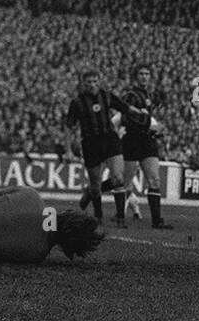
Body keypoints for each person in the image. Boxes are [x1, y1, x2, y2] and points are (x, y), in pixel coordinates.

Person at [63, 69, 147, 227]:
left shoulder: (106, 96)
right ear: (83, 84)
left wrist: (137, 112)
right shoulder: (77, 103)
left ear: (99, 81)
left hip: (110, 139)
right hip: (90, 143)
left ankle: (121, 218)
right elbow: (68, 126)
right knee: (95, 186)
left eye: (95, 81)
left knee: (118, 178)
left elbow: (124, 107)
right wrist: (68, 150)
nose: (92, 85)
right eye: (89, 82)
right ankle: (98, 215)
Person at [120, 63, 173, 230]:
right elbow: (126, 119)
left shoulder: (149, 95)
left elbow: (150, 117)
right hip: (133, 140)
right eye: (141, 74)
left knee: (155, 180)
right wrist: (148, 126)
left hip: (147, 141)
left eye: (147, 74)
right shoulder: (130, 95)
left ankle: (156, 221)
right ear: (136, 76)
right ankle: (119, 216)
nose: (144, 76)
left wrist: (156, 129)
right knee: (125, 182)